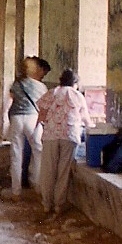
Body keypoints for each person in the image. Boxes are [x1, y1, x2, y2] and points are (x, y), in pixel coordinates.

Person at [35, 68, 90, 217]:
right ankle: (59, 205)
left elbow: (41, 115)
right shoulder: (78, 96)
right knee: (63, 172)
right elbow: (86, 119)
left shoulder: (51, 93)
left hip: (51, 135)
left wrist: (40, 129)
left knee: (48, 170)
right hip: (70, 135)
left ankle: (47, 204)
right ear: (75, 83)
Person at [2, 56, 49, 200]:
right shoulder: (40, 86)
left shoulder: (16, 84)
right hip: (33, 119)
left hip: (16, 119)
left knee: (16, 154)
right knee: (38, 151)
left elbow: (8, 103)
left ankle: (16, 191)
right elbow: (44, 107)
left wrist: (3, 118)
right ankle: (37, 185)